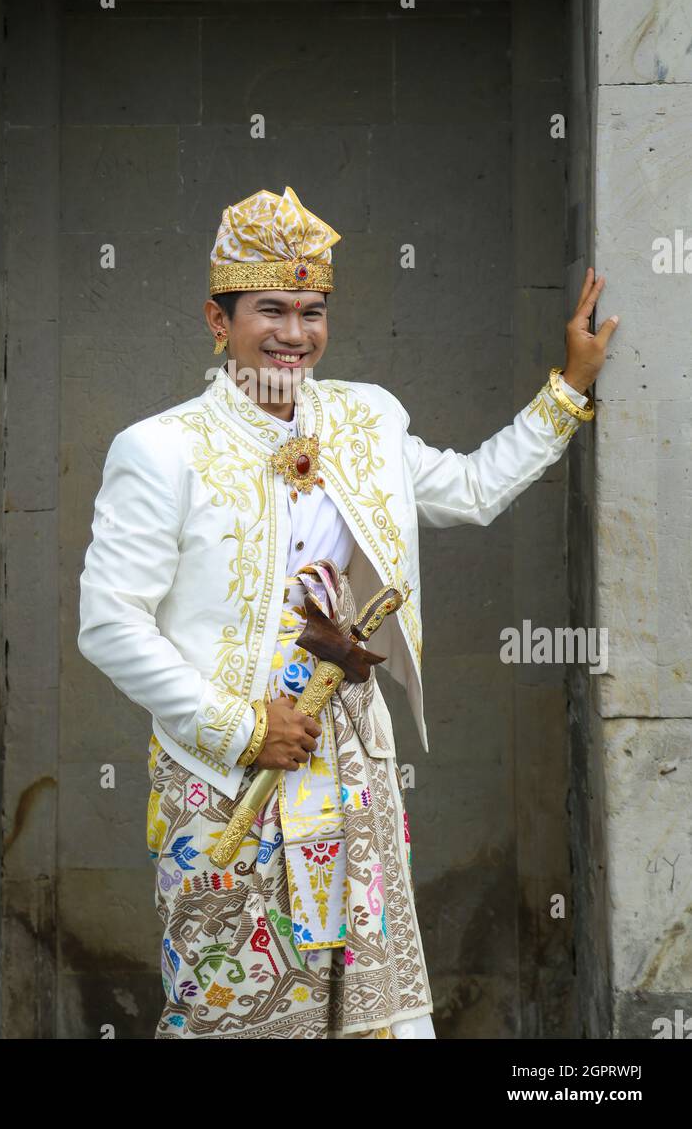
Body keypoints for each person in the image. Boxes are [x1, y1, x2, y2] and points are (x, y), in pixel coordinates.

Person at [77, 185, 617, 1038]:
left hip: (349, 748)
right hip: (226, 773)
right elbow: (110, 624)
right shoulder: (161, 448)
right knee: (233, 1004)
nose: (295, 334)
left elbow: (473, 490)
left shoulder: (365, 419)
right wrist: (238, 726)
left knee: (360, 1007)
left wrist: (570, 391)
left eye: (312, 310)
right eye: (271, 310)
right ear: (219, 322)